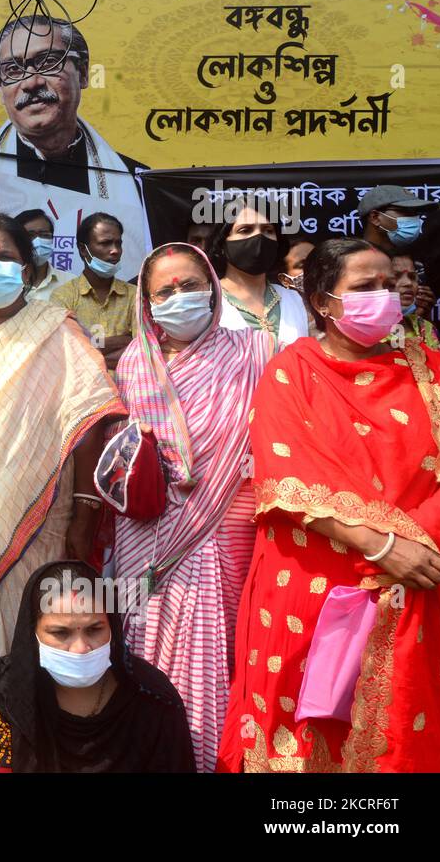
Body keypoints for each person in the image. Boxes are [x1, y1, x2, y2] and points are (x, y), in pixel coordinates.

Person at [218, 239, 440, 773]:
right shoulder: (290, 373)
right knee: (306, 728)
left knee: (404, 726)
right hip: (313, 587)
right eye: (364, 288)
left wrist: (417, 550)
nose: (384, 297)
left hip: (421, 578)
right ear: (323, 302)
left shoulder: (430, 370)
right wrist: (388, 547)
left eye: (389, 286)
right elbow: (288, 482)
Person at [0, 212, 123, 772]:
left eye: (6, 256)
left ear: (30, 270)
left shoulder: (56, 328)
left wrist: (85, 512)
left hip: (40, 516)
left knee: (26, 637)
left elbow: (86, 421)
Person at [110, 243, 276, 772]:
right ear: (147, 300)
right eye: (166, 291)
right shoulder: (134, 364)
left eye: (190, 285)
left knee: (227, 652)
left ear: (212, 286)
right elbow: (123, 458)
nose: (179, 298)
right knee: (148, 648)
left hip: (231, 524)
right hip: (149, 533)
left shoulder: (258, 350)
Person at [0, 560, 195, 772]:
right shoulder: (2, 698)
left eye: (94, 630)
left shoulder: (154, 700)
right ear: (32, 634)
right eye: (61, 633)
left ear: (112, 628)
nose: (80, 649)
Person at [0, 14, 150, 276]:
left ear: (82, 73)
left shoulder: (135, 182)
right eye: (13, 70)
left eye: (47, 62)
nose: (31, 82)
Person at [208, 206, 310, 346]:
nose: (259, 237)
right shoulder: (208, 301)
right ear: (222, 244)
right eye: (245, 230)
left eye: (268, 230)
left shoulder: (293, 299)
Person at [50, 211, 137, 370]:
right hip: (85, 391)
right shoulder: (63, 296)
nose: (115, 250)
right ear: (83, 250)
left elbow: (143, 350)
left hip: (130, 390)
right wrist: (124, 340)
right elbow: (66, 353)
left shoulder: (134, 295)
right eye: (105, 243)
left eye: (118, 243)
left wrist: (89, 347)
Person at [358, 184, 436, 257]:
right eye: (405, 211)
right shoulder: (352, 261)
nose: (414, 218)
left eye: (415, 212)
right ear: (375, 217)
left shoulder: (418, 261)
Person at [14, 208, 72, 302]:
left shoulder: (70, 282)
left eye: (44, 235)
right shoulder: (6, 283)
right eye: (30, 235)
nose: (38, 241)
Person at [391, 251, 439, 348]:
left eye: (412, 277)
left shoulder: (424, 327)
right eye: (396, 276)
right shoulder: (367, 330)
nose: (408, 283)